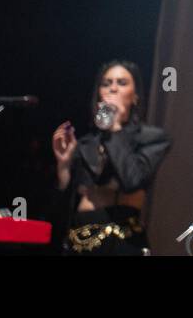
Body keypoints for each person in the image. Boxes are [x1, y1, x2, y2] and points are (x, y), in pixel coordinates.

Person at [50, 60, 171, 255]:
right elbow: (65, 206)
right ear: (99, 94)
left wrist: (114, 129)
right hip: (82, 236)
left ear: (135, 96)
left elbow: (132, 180)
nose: (112, 89)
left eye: (122, 83)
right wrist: (63, 166)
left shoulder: (153, 138)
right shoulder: (85, 143)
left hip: (123, 237)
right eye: (106, 83)